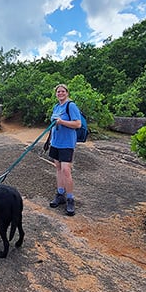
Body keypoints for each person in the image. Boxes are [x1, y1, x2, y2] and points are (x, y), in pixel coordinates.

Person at [47, 83, 82, 216]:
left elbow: (77, 124)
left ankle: (70, 198)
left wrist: (62, 122)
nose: (60, 93)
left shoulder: (71, 106)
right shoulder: (56, 107)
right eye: (58, 92)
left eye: (62, 91)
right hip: (56, 142)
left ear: (67, 93)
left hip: (67, 144)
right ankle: (60, 194)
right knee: (58, 168)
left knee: (66, 170)